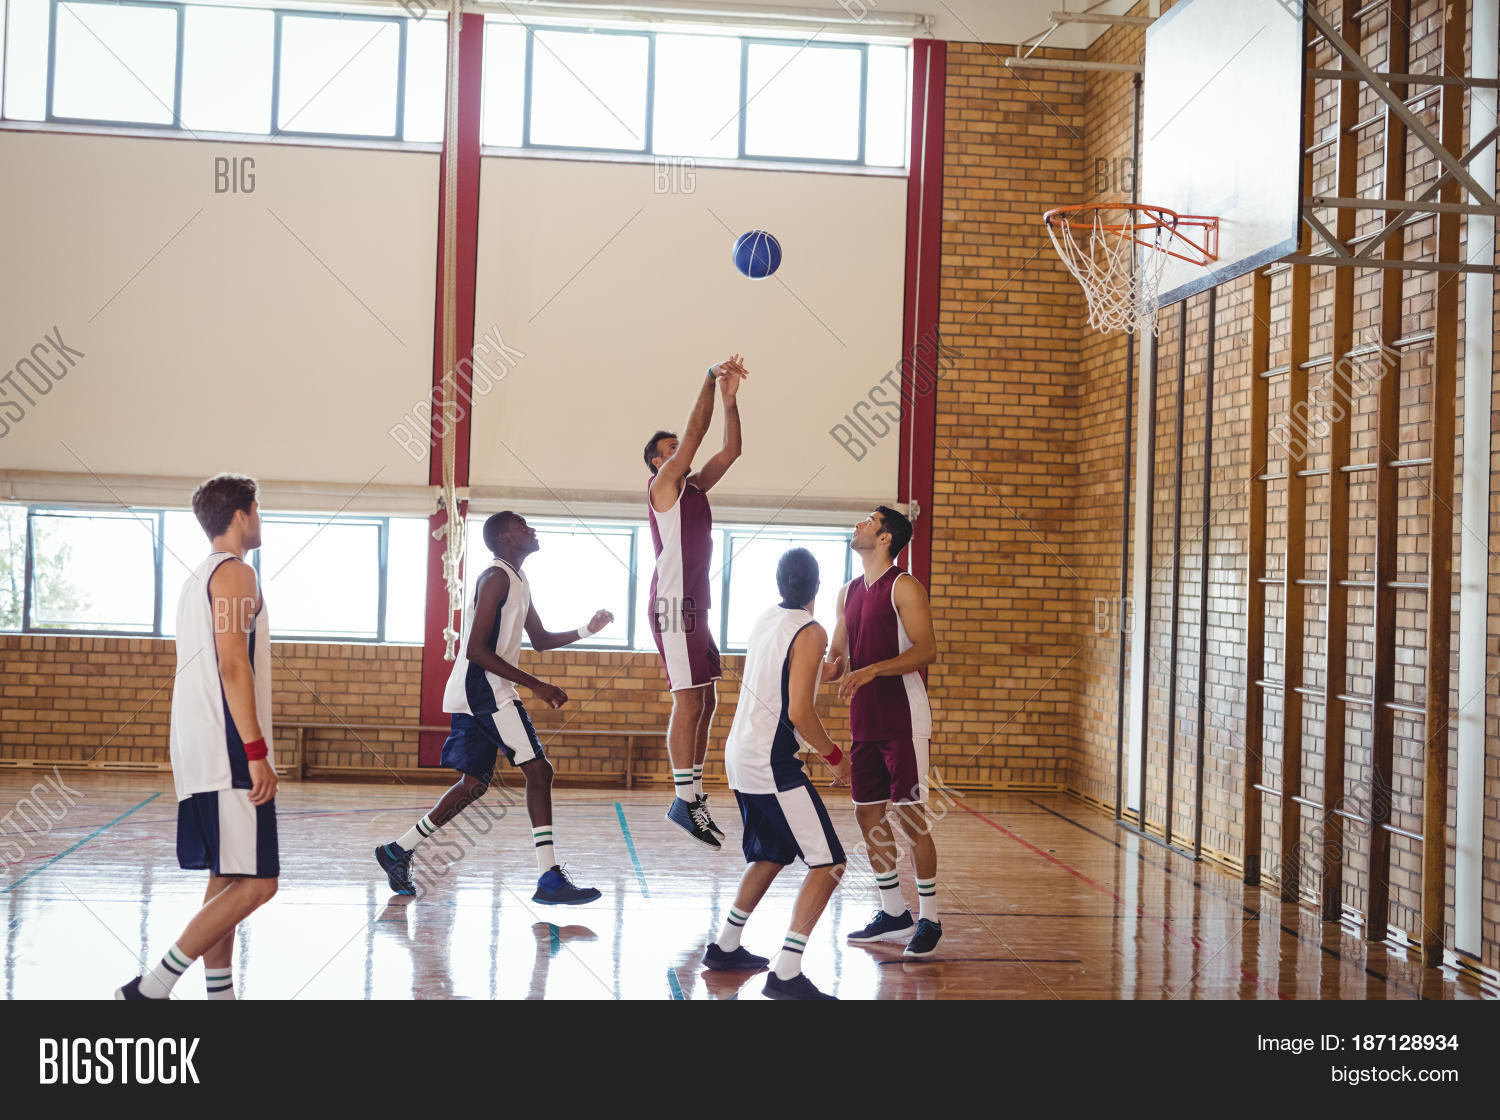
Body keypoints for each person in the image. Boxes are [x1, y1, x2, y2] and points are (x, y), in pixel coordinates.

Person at [374, 512, 611, 905]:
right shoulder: (496, 577)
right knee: (539, 769)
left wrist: (586, 630)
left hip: (480, 690)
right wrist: (535, 684)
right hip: (484, 688)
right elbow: (475, 650)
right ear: (503, 538)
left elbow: (540, 639)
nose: (531, 528)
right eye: (521, 525)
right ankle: (549, 877)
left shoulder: (518, 580)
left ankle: (398, 850)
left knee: (474, 785)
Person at [117, 474, 278, 999]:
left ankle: (221, 997)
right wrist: (256, 753)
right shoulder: (235, 575)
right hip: (227, 746)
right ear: (241, 515)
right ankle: (151, 988)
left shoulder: (198, 578)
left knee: (228, 879)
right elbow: (233, 666)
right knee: (259, 882)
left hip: (202, 744)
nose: (260, 519)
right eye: (258, 509)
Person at [703, 548, 850, 999]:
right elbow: (801, 711)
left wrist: (828, 661)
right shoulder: (810, 630)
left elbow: (792, 673)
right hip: (771, 761)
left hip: (740, 753)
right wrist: (836, 758)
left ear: (779, 583)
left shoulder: (769, 618)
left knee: (771, 853)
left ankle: (725, 947)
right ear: (817, 588)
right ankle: (786, 972)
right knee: (829, 864)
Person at [826, 506, 943, 959]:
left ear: (886, 537)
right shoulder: (847, 592)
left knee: (912, 818)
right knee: (866, 815)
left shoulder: (905, 585)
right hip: (865, 720)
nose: (859, 523)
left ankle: (930, 917)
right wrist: (810, 670)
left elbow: (927, 649)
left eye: (869, 520)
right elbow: (837, 659)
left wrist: (872, 669)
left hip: (903, 717)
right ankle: (893, 912)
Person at [643, 355, 747, 848]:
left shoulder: (696, 487)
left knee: (707, 698)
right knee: (688, 700)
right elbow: (697, 435)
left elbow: (731, 449)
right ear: (658, 463)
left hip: (694, 609)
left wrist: (730, 402)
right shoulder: (662, 486)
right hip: (672, 606)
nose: (678, 451)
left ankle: (694, 793)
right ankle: (684, 800)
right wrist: (708, 378)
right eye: (670, 449)